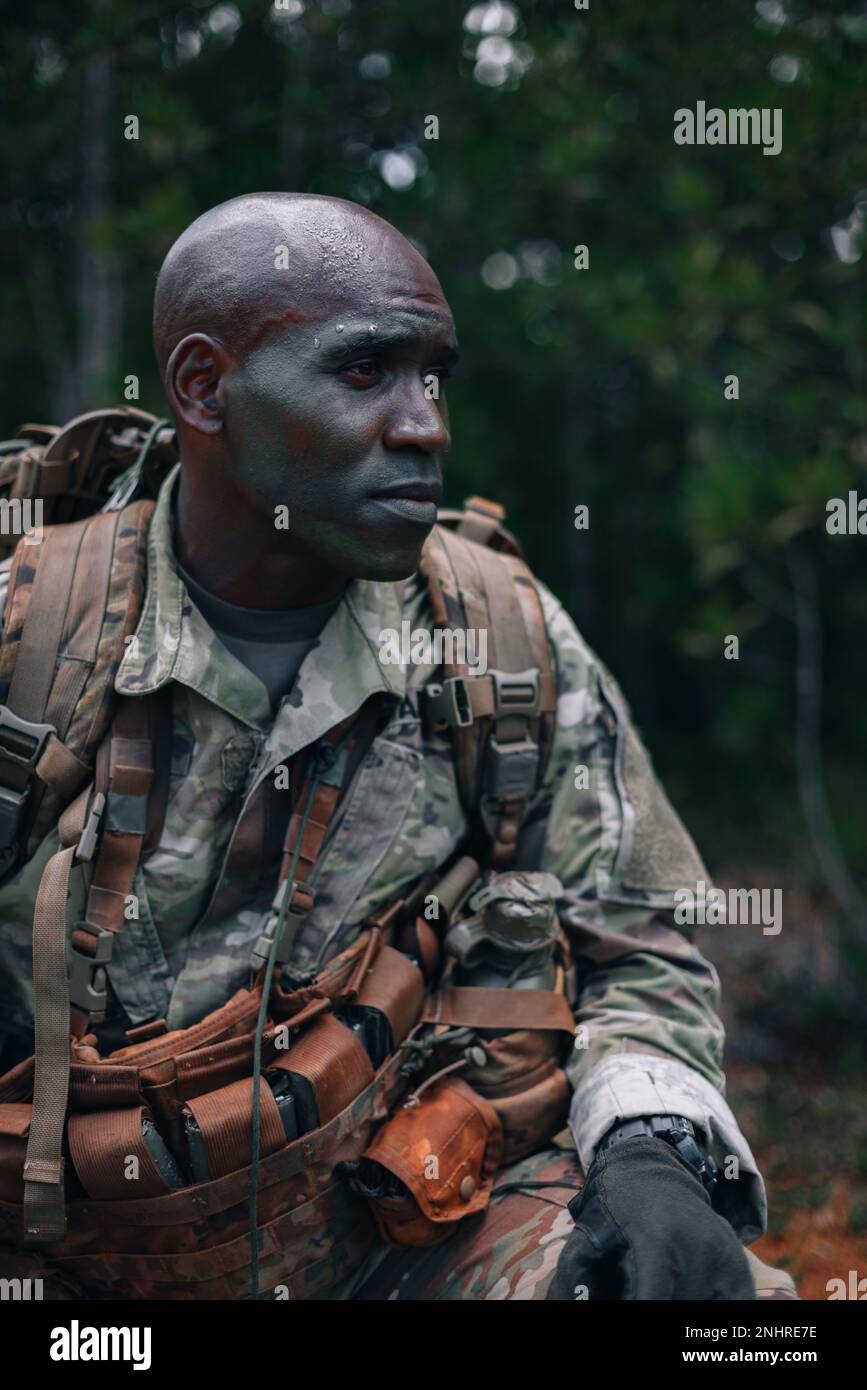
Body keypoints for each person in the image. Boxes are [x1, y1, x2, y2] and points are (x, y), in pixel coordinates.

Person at [0, 193, 796, 1300]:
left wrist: (649, 1155)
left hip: (406, 1245)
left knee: (727, 1315)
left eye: (435, 377)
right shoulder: (29, 642)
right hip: (71, 1281)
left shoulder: (497, 634)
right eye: (365, 371)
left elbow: (639, 944)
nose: (425, 424)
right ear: (202, 385)